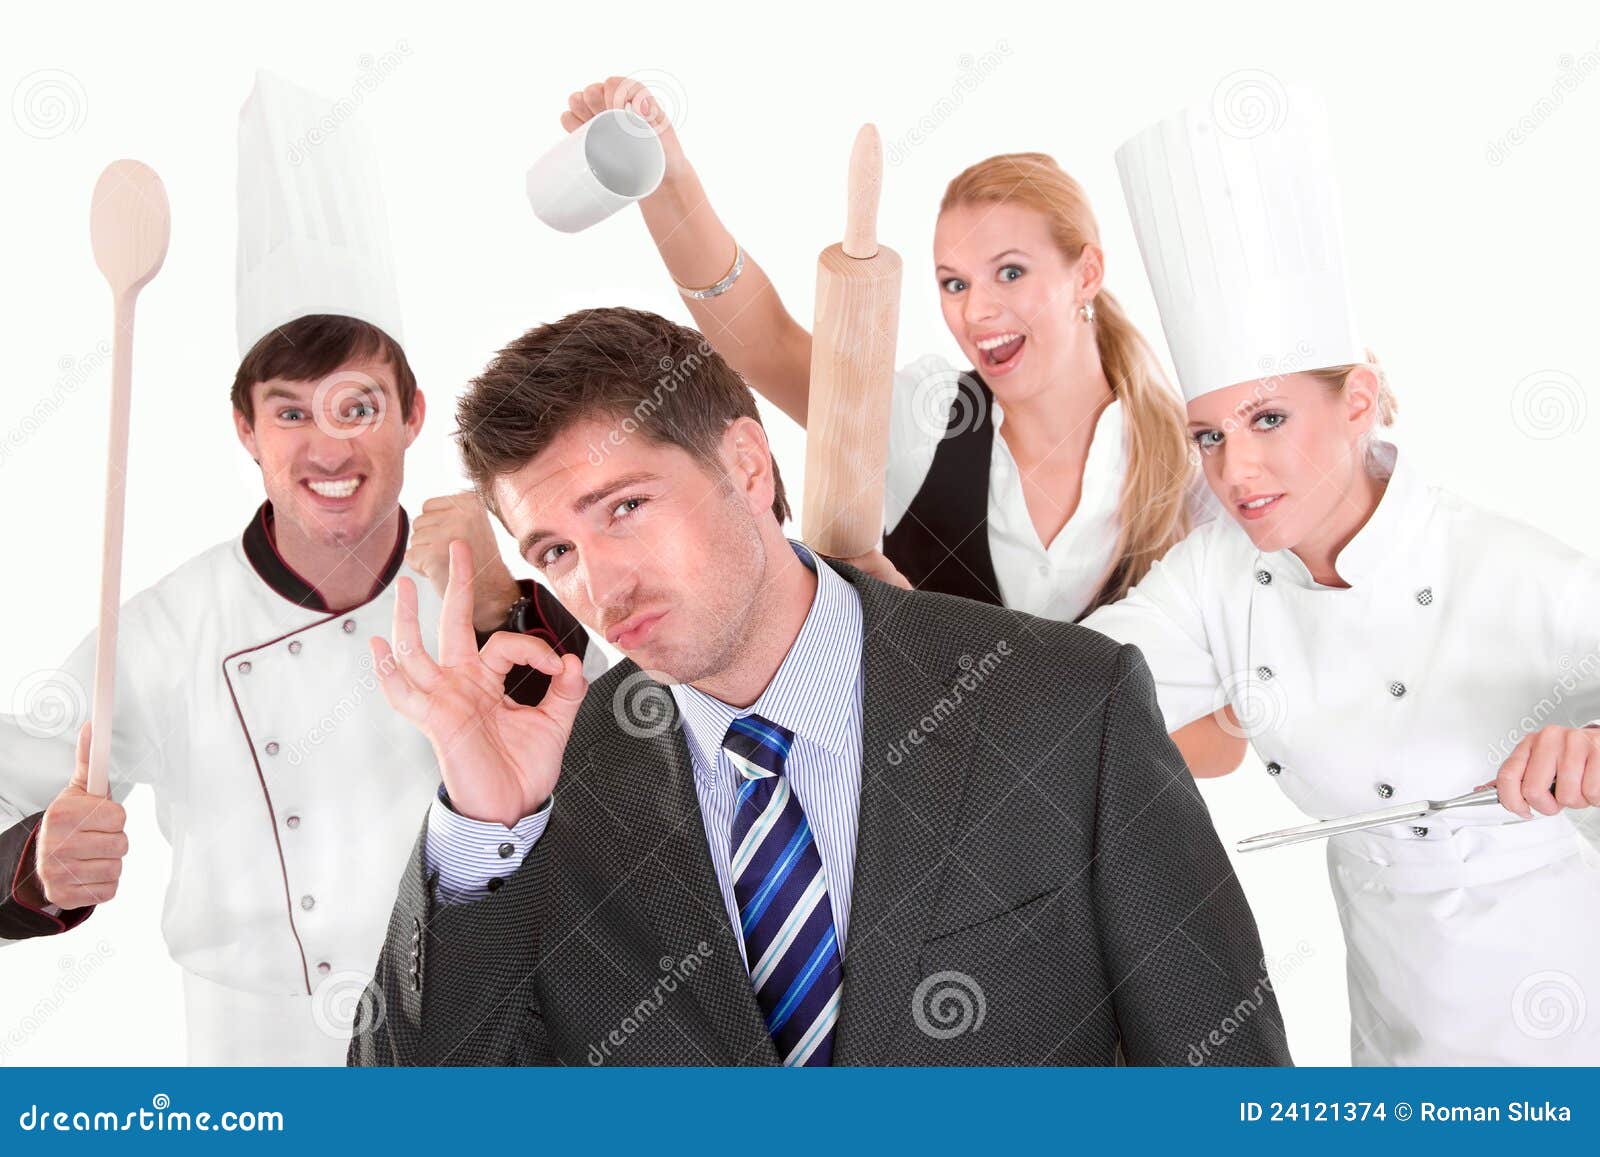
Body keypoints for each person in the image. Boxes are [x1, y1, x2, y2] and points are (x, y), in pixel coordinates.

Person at [348, 306, 1291, 1067]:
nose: (601, 585)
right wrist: (484, 826)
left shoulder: (1061, 704)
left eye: (625, 507)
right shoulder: (548, 796)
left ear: (748, 465)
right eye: (555, 550)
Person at [0, 71, 600, 1066]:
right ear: (244, 427)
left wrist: (508, 605)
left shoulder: (492, 590)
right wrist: (35, 865)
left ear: (413, 413)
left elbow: (643, 793)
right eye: (289, 409)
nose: (327, 447)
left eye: (357, 405)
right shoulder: (164, 629)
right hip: (257, 1070)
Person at [1083, 87, 1600, 1064]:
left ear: (1357, 399)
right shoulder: (1219, 578)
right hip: (1391, 1051)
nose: (1233, 472)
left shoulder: (1523, 573)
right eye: (1209, 435)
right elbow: (1070, 672)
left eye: (1269, 419)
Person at [556, 78, 1215, 620]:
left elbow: (1215, 742)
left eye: (1010, 271)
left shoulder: (1185, 464)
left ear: (1088, 273)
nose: (977, 309)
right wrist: (668, 180)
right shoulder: (924, 419)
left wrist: (947, 651)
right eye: (954, 283)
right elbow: (761, 341)